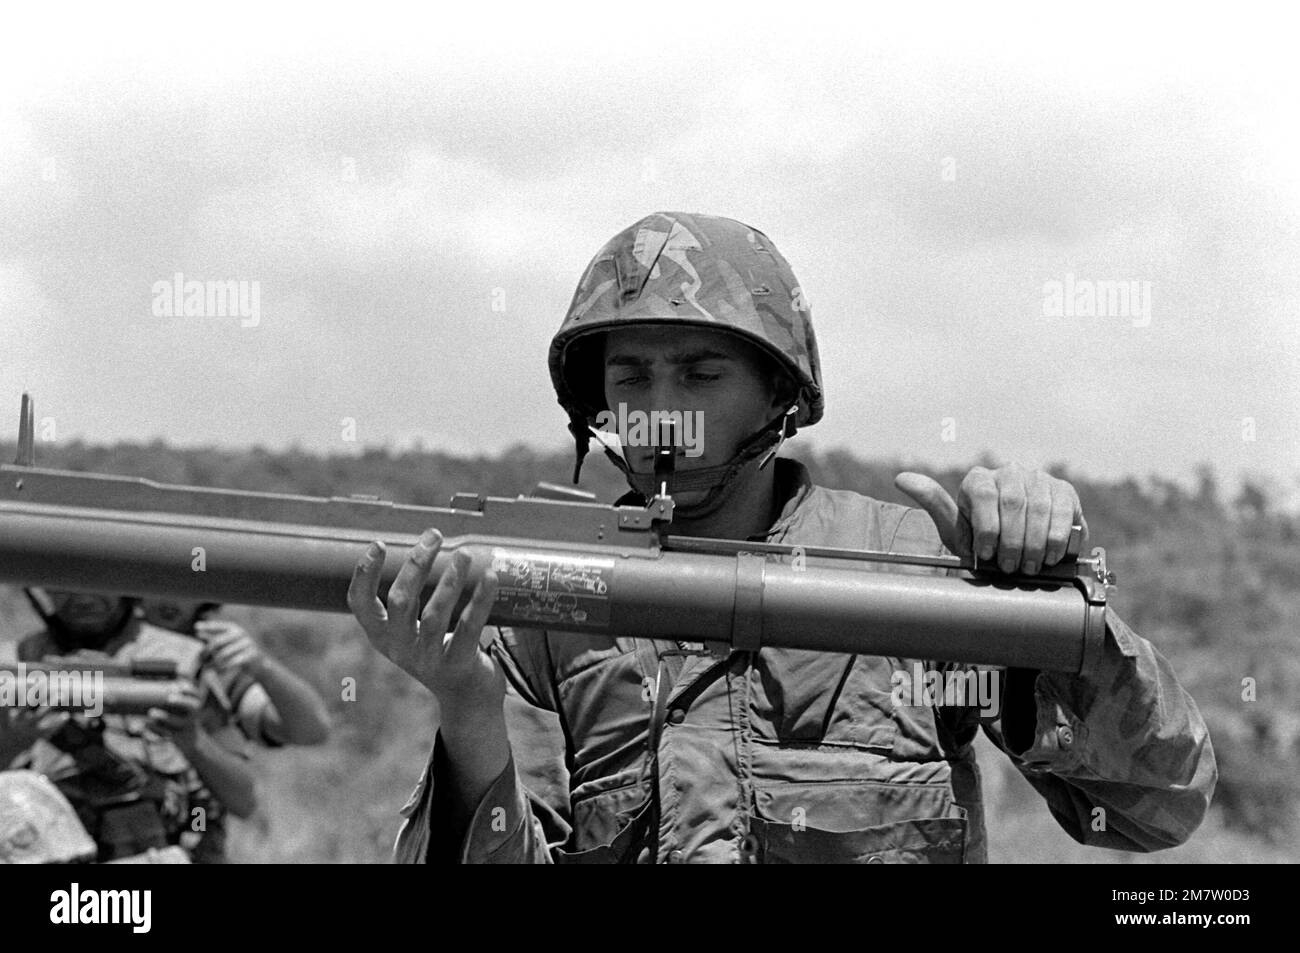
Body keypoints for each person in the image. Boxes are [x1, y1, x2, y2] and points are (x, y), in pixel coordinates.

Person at [349, 211, 1217, 863]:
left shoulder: (908, 579)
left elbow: (1159, 804)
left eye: (700, 371)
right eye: (631, 374)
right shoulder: (547, 611)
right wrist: (467, 706)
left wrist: (1040, 617)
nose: (663, 410)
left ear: (778, 394)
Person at [0, 589, 259, 862]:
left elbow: (243, 800)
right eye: (64, 582)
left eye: (97, 581)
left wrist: (193, 741)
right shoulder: (12, 669)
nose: (83, 596)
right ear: (42, 587)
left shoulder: (184, 662)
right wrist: (13, 742)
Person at [140, 598, 332, 748]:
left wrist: (261, 667)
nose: (172, 596)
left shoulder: (215, 660)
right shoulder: (111, 639)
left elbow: (311, 731)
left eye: (186, 579)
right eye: (161, 576)